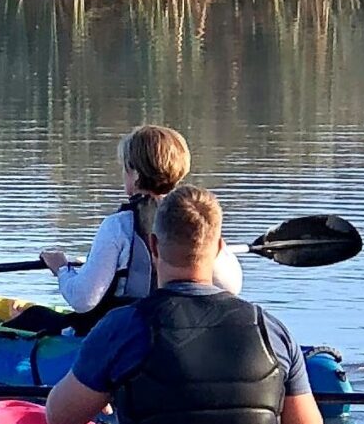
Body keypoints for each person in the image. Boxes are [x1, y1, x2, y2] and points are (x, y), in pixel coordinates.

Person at [19, 184, 324, 424]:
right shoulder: (271, 329)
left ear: (154, 246)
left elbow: (59, 417)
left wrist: (108, 391)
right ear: (220, 248)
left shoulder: (123, 326)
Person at [35, 123, 241, 327]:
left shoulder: (118, 226)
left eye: (124, 168)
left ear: (134, 173)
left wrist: (62, 268)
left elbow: (83, 300)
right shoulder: (197, 218)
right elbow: (231, 286)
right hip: (184, 329)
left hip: (125, 334)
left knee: (33, 317)